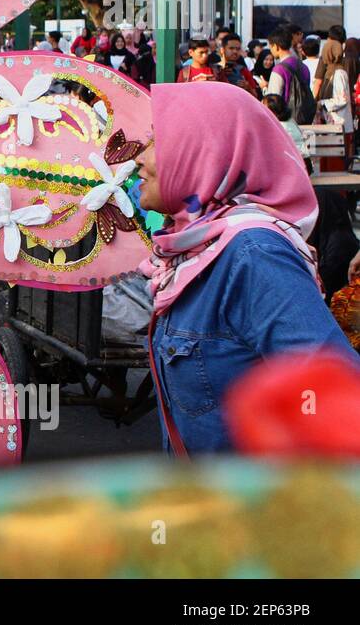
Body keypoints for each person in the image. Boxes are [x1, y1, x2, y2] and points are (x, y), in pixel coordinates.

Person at [136, 83, 351, 454]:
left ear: (202, 152)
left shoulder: (252, 253)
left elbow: (335, 393)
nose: (139, 157)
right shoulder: (195, 247)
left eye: (156, 141)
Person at [315, 32, 353, 168]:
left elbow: (342, 99)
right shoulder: (332, 71)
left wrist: (323, 103)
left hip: (339, 124)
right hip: (333, 124)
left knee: (335, 165)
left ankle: (337, 190)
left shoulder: (338, 73)